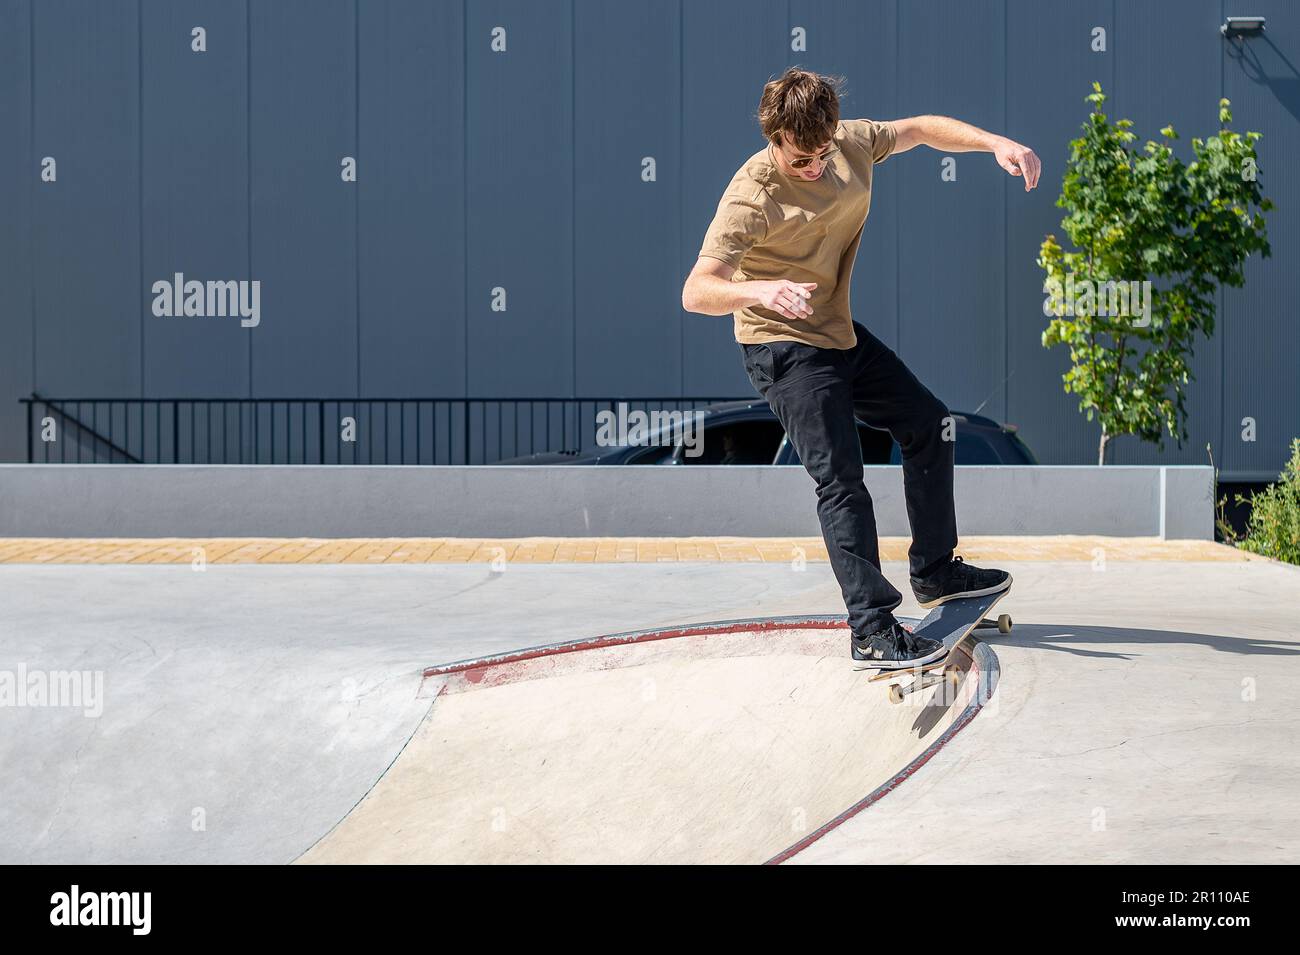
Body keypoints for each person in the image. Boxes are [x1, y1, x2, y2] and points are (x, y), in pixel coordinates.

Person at [681, 67, 1040, 670]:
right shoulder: (752, 193)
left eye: (823, 152)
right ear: (775, 138)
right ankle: (872, 627)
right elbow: (696, 291)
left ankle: (935, 571)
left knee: (929, 423)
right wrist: (761, 291)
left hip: (838, 335)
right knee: (842, 479)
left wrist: (996, 143)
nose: (816, 167)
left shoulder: (848, 140)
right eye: (801, 160)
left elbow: (922, 129)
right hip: (782, 347)